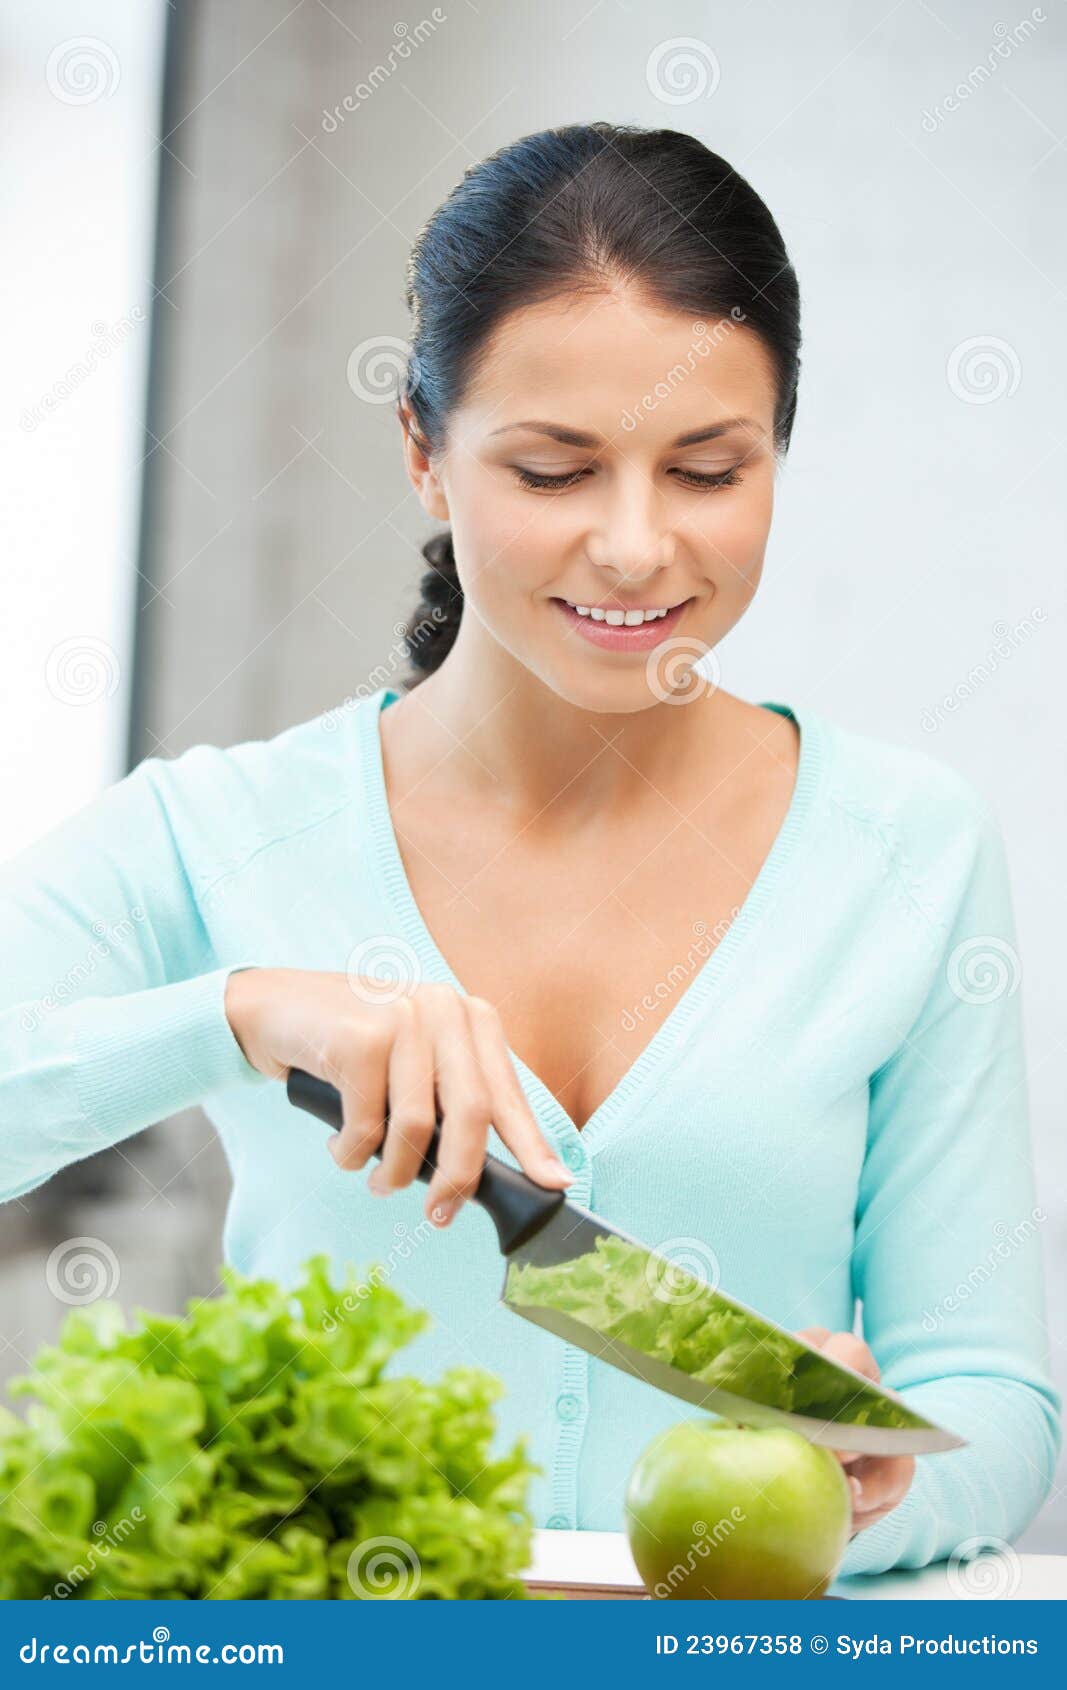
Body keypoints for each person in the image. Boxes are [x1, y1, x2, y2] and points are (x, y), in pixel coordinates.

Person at [1, 122, 1059, 1578]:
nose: (633, 548)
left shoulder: (910, 850)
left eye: (706, 470)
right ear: (424, 453)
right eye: (556, 471)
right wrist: (243, 1013)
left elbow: (992, 1397)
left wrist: (874, 1488)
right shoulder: (215, 831)